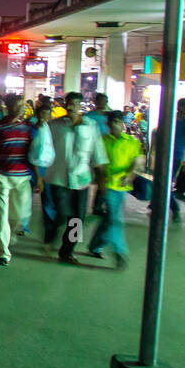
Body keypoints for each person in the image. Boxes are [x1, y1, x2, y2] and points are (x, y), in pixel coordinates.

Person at [47, 91, 108, 265]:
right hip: (58, 178)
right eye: (69, 103)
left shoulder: (90, 126)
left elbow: (98, 153)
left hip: (81, 179)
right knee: (63, 212)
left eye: (75, 104)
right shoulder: (54, 125)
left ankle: (67, 251)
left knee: (78, 219)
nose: (71, 107)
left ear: (81, 106)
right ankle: (51, 233)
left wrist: (101, 181)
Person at [0, 95, 34, 265]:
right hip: (1, 176)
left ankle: (10, 233)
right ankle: (2, 253)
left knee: (19, 215)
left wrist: (39, 178)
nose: (22, 109)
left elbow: (36, 153)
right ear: (9, 107)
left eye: (23, 106)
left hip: (22, 178)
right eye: (18, 105)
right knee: (1, 215)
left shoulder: (29, 128)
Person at [88, 111, 140, 270]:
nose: (118, 125)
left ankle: (94, 245)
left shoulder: (132, 141)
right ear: (109, 124)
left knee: (109, 219)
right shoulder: (102, 141)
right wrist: (101, 184)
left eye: (120, 121)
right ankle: (119, 251)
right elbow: (98, 165)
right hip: (106, 186)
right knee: (115, 220)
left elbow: (137, 160)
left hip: (121, 188)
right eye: (114, 122)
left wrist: (130, 174)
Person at [25, 95, 56, 238]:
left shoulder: (48, 129)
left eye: (48, 114)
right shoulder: (36, 129)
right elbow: (36, 154)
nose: (46, 117)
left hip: (46, 170)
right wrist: (38, 176)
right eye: (43, 114)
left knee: (48, 202)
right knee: (29, 199)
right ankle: (24, 226)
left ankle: (50, 229)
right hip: (36, 170)